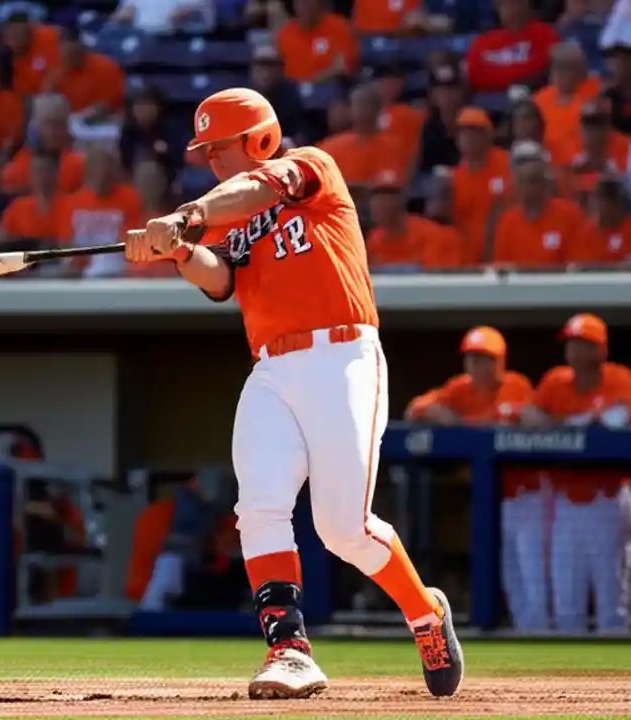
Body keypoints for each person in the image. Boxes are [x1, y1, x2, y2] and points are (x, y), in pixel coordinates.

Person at [122, 87, 463, 700]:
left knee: (343, 528)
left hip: (342, 357)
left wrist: (186, 218)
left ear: (258, 139)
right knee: (259, 505)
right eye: (206, 151)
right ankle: (289, 649)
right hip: (272, 370)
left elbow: (254, 191)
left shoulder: (311, 166)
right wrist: (179, 250)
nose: (213, 161)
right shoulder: (229, 213)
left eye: (220, 148)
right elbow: (220, 277)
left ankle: (424, 613)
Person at [404, 327, 541, 630]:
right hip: (492, 500)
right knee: (511, 575)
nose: (478, 365)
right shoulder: (460, 388)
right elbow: (417, 407)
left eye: (485, 358)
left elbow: (504, 422)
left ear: (500, 361)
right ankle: (528, 639)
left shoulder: (515, 384)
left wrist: (461, 425)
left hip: (528, 497)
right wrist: (453, 420)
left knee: (535, 575)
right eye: (473, 358)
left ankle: (550, 636)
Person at [522, 314, 631, 634]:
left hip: (608, 499)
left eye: (583, 344)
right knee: (567, 603)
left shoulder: (619, 377)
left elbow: (621, 418)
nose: (575, 351)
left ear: (601, 350)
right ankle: (568, 682)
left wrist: (564, 423)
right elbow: (530, 414)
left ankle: (618, 681)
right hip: (567, 505)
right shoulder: (555, 381)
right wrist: (578, 421)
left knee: (611, 602)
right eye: (572, 343)